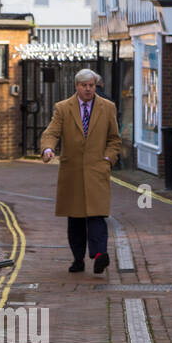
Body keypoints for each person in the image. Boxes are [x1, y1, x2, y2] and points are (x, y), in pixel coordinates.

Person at [40, 68, 122, 273]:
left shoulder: (108, 107)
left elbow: (114, 139)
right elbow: (51, 132)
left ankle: (99, 254)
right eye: (84, 86)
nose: (88, 90)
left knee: (97, 215)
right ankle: (78, 259)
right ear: (76, 86)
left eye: (91, 86)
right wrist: (48, 149)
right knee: (75, 219)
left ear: (95, 86)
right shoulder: (63, 108)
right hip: (73, 172)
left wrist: (108, 159)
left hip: (97, 170)